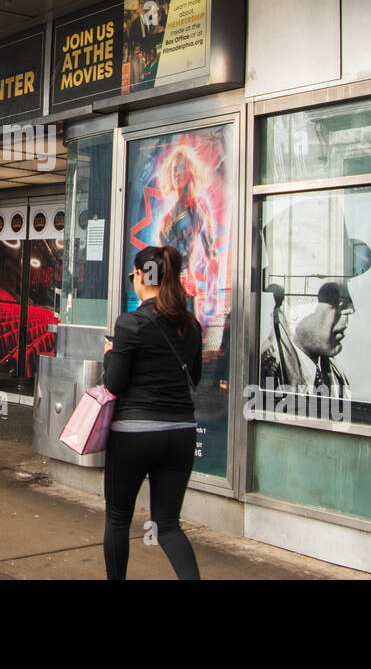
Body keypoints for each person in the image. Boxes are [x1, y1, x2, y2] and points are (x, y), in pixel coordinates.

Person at [102, 245, 203, 580]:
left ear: (144, 276)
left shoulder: (130, 324)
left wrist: (111, 355)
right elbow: (196, 378)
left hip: (135, 434)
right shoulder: (190, 324)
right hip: (181, 434)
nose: (133, 279)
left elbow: (115, 385)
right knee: (168, 525)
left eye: (133, 274)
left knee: (118, 518)